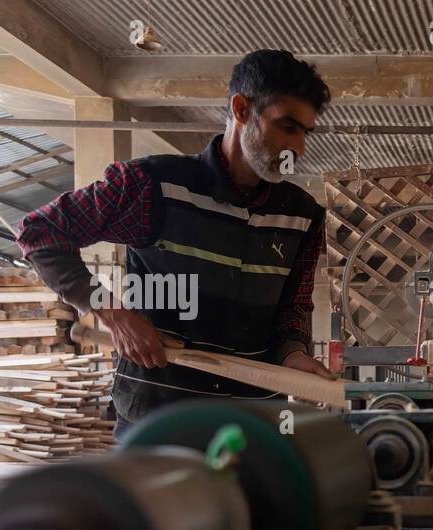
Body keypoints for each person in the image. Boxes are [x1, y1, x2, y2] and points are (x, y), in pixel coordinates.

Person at [17, 49, 337, 438]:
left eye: (305, 132)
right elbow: (42, 233)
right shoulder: (154, 187)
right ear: (241, 109)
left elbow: (294, 307)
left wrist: (294, 355)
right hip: (158, 419)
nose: (299, 149)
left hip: (251, 425)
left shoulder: (302, 215)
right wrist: (114, 314)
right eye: (287, 127)